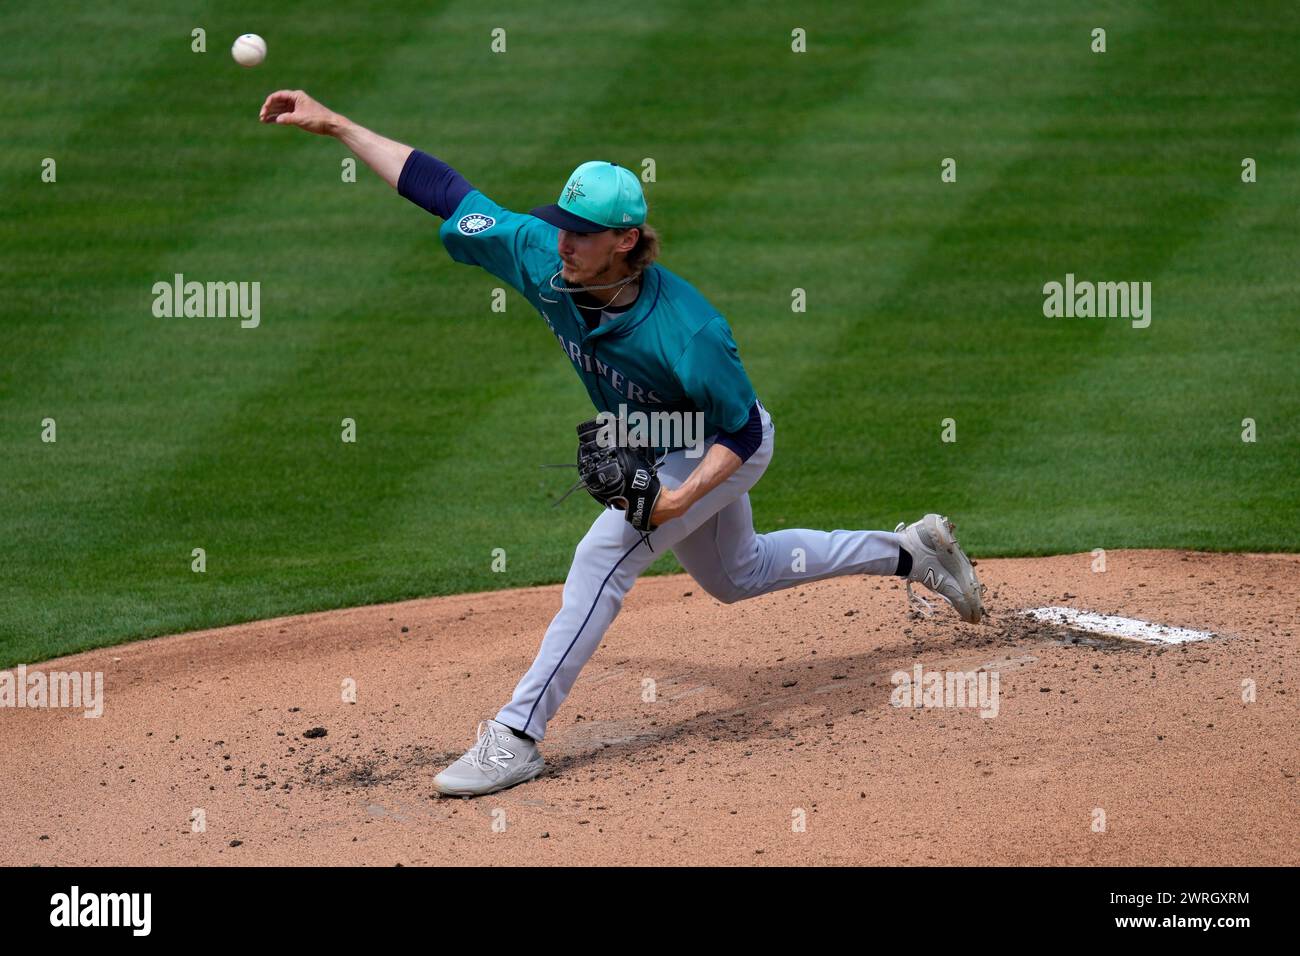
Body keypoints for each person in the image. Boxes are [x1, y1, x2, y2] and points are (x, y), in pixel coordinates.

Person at [259, 89, 986, 798]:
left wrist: (678, 500)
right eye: (561, 225)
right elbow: (445, 191)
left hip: (719, 445)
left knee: (601, 556)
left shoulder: (690, 332)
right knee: (738, 574)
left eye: (581, 232)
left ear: (627, 241)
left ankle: (515, 736)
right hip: (654, 439)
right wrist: (338, 125)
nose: (563, 242)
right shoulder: (542, 256)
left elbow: (741, 429)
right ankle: (910, 551)